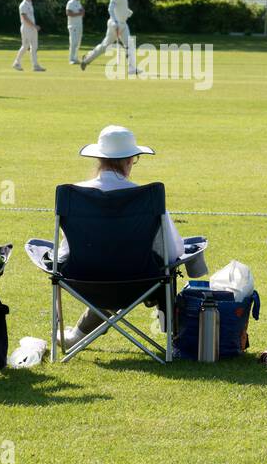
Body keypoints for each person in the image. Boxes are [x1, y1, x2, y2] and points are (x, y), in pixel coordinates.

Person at [57, 125, 190, 350]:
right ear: (129, 161)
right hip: (141, 283)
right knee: (160, 267)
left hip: (82, 282)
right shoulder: (148, 198)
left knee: (105, 267)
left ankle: (77, 335)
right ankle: (177, 338)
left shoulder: (72, 195)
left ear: (98, 159)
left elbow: (64, 253)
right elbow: (174, 251)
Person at [80, 0, 136, 74]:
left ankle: (131, 69)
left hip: (123, 24)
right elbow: (110, 8)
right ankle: (86, 60)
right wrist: (114, 21)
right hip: (115, 25)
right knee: (105, 46)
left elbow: (120, 8)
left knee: (129, 45)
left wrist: (127, 12)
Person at [12, 0, 46, 72]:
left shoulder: (30, 3)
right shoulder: (23, 5)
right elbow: (24, 18)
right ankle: (16, 63)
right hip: (27, 28)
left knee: (34, 46)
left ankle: (35, 65)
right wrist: (34, 26)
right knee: (25, 46)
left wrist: (34, 27)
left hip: (32, 28)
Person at [65, 0, 85, 64]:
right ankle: (71, 59)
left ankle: (75, 58)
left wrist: (80, 13)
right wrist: (79, 13)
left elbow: (83, 12)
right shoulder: (70, 3)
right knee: (73, 42)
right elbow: (68, 13)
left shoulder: (78, 2)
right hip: (73, 25)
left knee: (78, 42)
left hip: (79, 24)